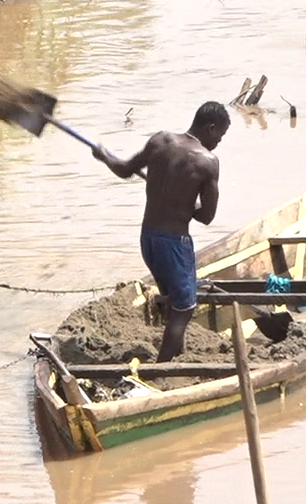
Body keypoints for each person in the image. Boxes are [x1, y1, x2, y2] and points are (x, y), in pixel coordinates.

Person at [93, 101, 231, 363]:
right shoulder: (207, 162)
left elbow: (123, 169)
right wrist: (190, 204)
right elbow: (207, 216)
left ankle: (177, 352)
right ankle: (162, 369)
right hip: (174, 243)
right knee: (185, 309)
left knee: (173, 300)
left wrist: (104, 155)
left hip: (148, 239)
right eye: (220, 137)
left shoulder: (160, 141)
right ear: (211, 128)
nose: (218, 143)